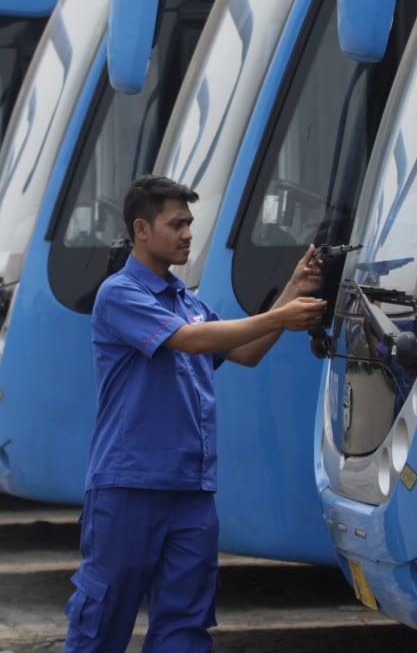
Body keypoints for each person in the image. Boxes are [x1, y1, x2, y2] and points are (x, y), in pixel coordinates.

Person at [64, 174, 326, 653]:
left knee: (186, 626)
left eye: (190, 223)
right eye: (177, 223)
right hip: (129, 486)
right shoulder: (120, 294)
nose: (188, 234)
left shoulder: (187, 301)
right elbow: (189, 340)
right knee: (102, 619)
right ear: (142, 229)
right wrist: (278, 316)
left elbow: (246, 352)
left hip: (191, 491)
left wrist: (291, 291)